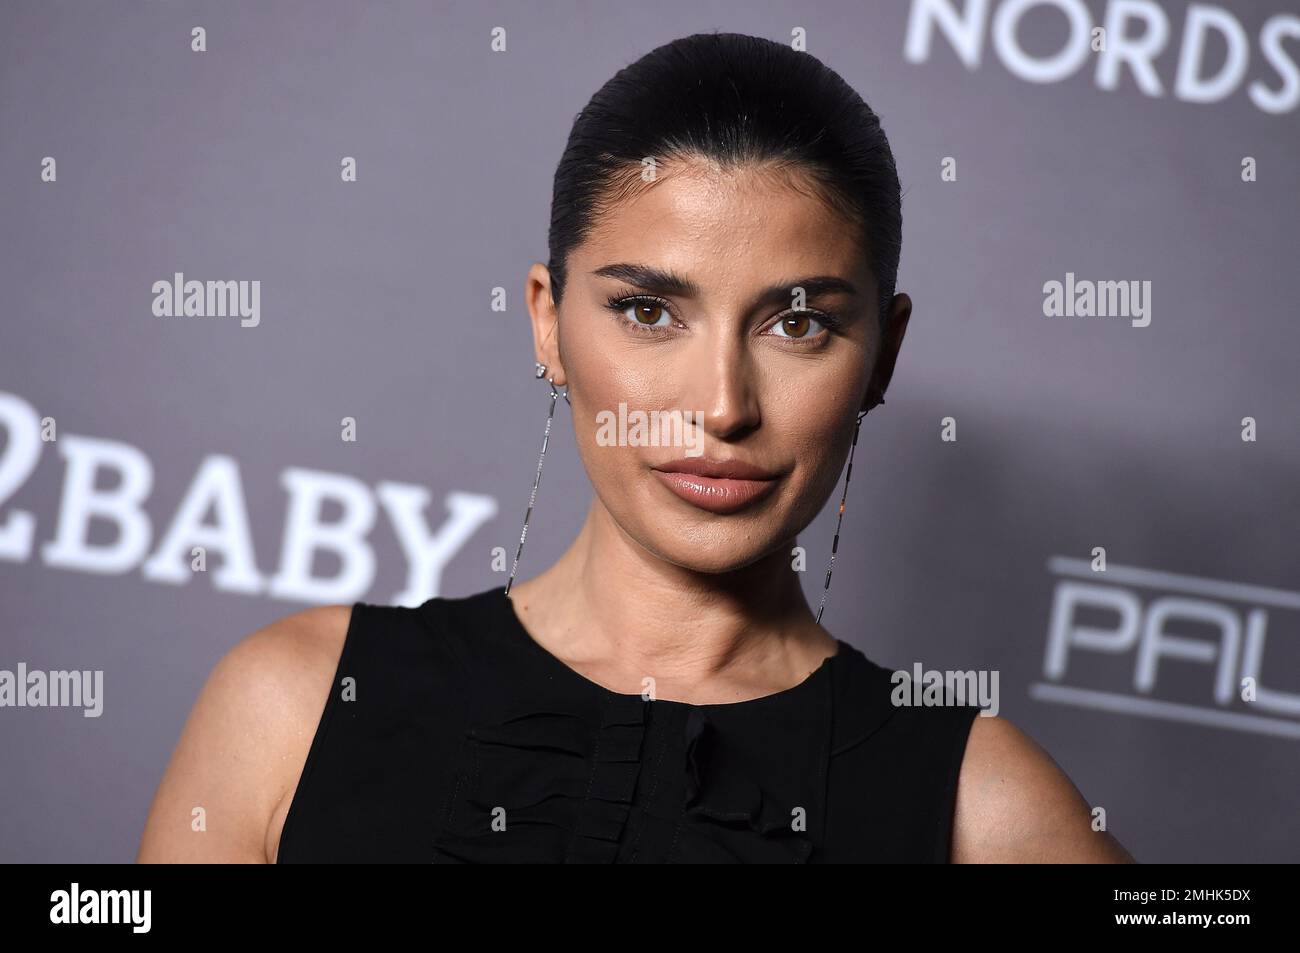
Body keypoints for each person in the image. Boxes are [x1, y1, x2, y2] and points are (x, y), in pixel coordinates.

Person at [138, 31, 1135, 863]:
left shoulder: (986, 811)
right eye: (648, 310)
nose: (720, 405)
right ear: (546, 323)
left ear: (884, 353)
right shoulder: (295, 703)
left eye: (798, 325)